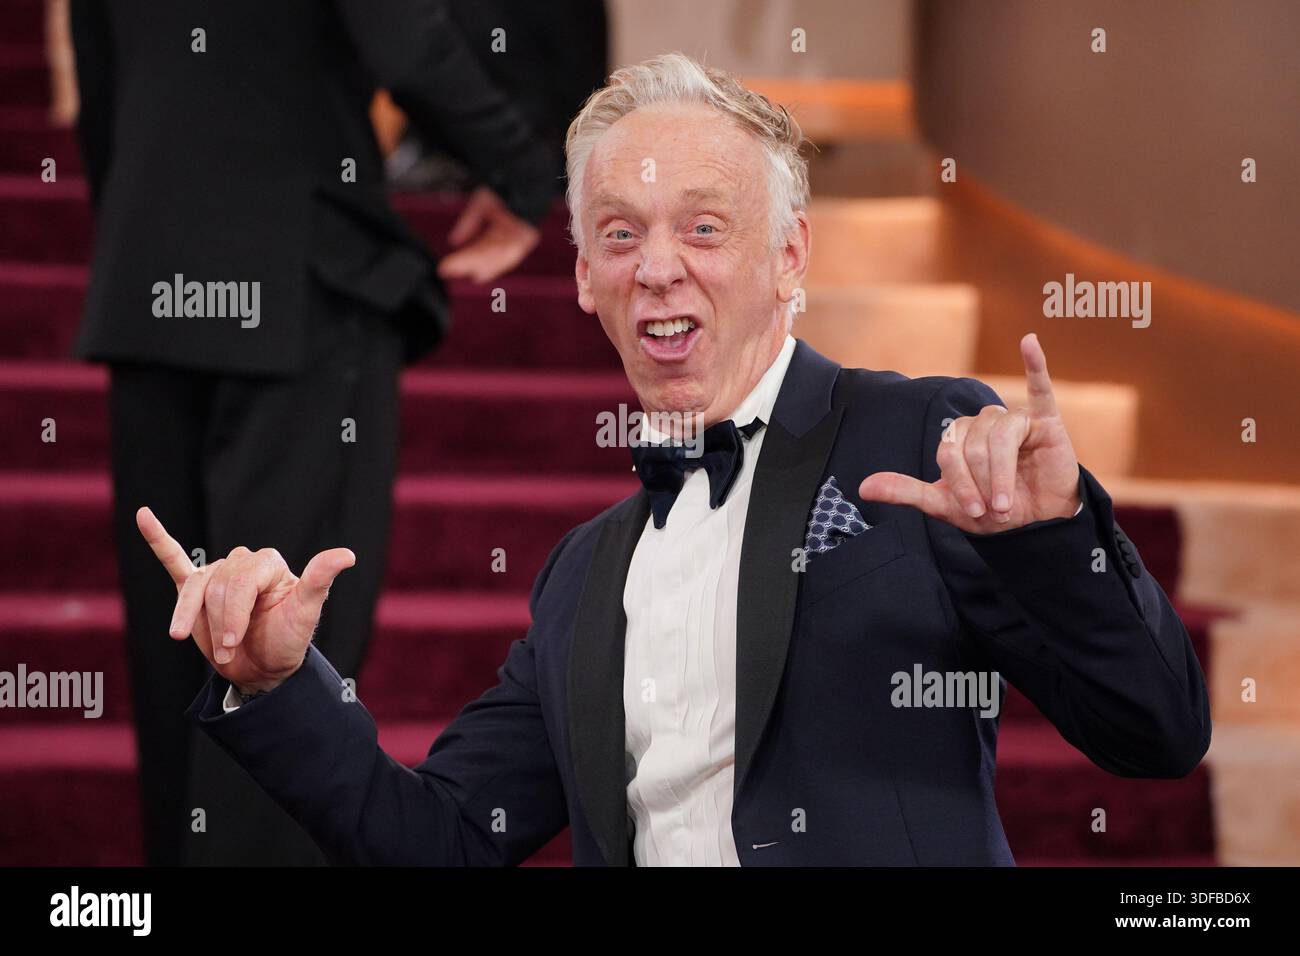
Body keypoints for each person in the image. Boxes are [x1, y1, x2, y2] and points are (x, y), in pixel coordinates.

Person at [140, 54, 1210, 865]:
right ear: (582, 278)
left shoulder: (921, 439)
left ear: (789, 254)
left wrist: (1054, 538)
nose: (656, 267)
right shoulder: (580, 574)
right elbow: (444, 837)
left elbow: (1155, 732)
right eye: (619, 234)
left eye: (703, 228)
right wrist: (277, 684)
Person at [70, 0, 560, 866]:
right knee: (275, 649)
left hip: (150, 291)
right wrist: (525, 174)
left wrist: (147, 242)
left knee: (180, 646)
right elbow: (405, 40)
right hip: (297, 278)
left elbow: (100, 86)